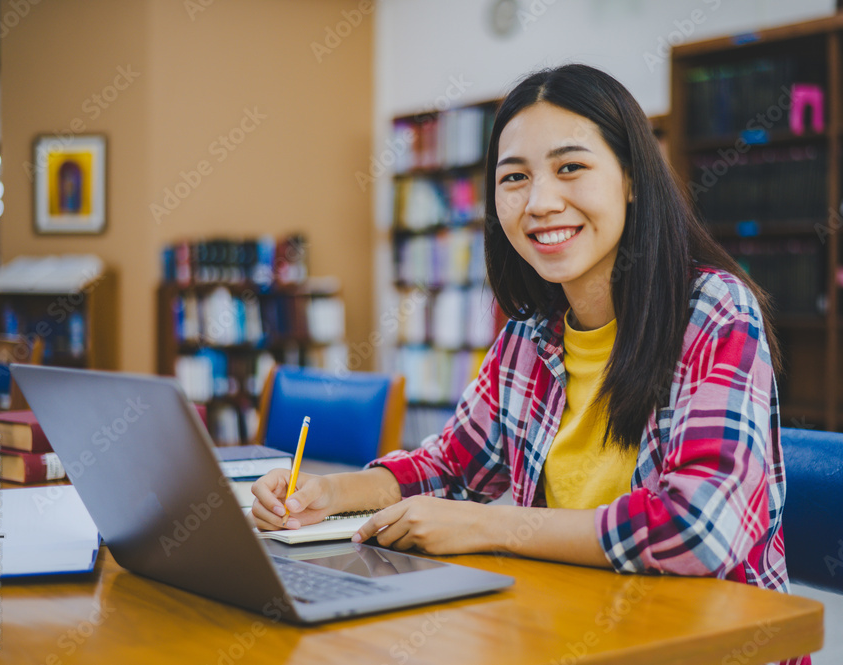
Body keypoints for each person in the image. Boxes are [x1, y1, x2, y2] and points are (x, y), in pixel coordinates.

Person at [252, 64, 797, 649]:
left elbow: (697, 530)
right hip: (568, 630)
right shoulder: (529, 335)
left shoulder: (712, 310)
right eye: (514, 178)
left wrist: (492, 524)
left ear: (633, 178)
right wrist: (327, 496)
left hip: (703, 646)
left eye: (570, 168)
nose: (540, 203)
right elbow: (451, 465)